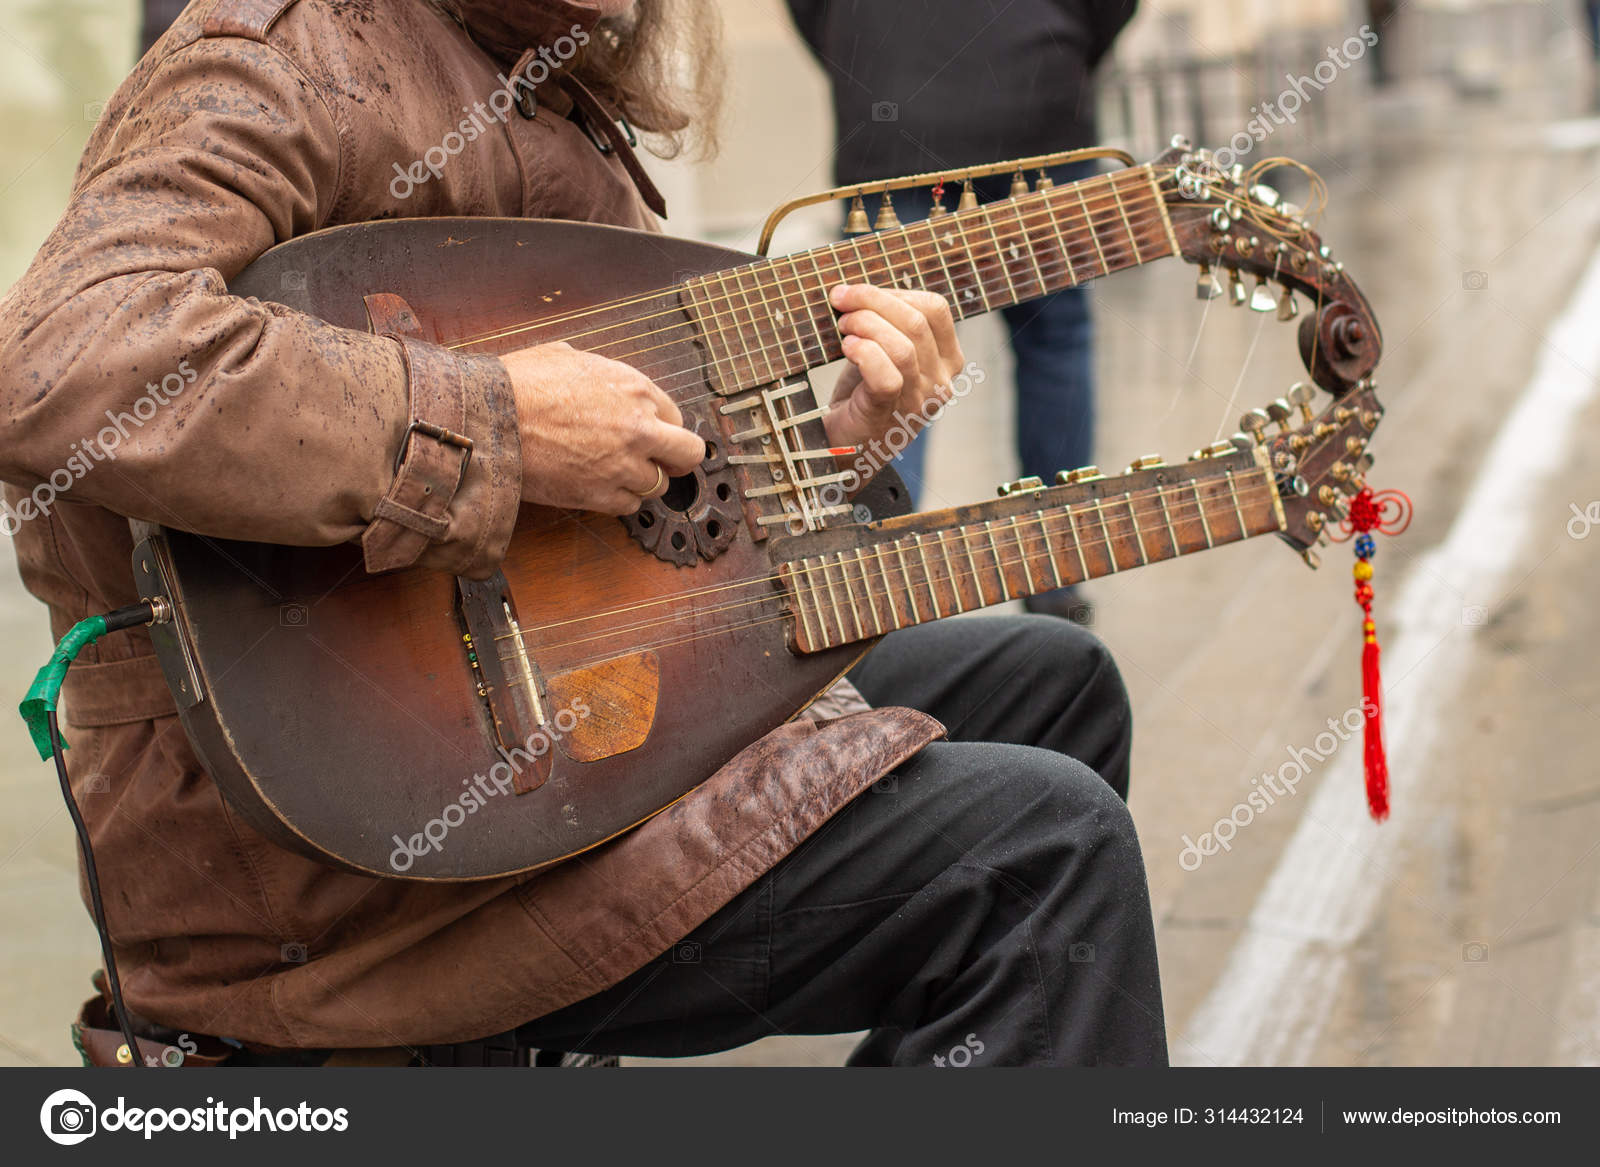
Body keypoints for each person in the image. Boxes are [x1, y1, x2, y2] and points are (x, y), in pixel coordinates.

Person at [0, 0, 1165, 1067]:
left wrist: (835, 447)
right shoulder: (284, 59)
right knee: (1047, 852)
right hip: (339, 863)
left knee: (1053, 684)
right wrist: (498, 421)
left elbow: (623, 515)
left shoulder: (545, 77)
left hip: (554, 715)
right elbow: (58, 363)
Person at [787, 0, 1137, 623]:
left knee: (887, 352)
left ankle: (874, 590)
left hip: (892, 104)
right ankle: (1055, 573)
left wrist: (862, 53)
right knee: (1054, 340)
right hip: (1038, 98)